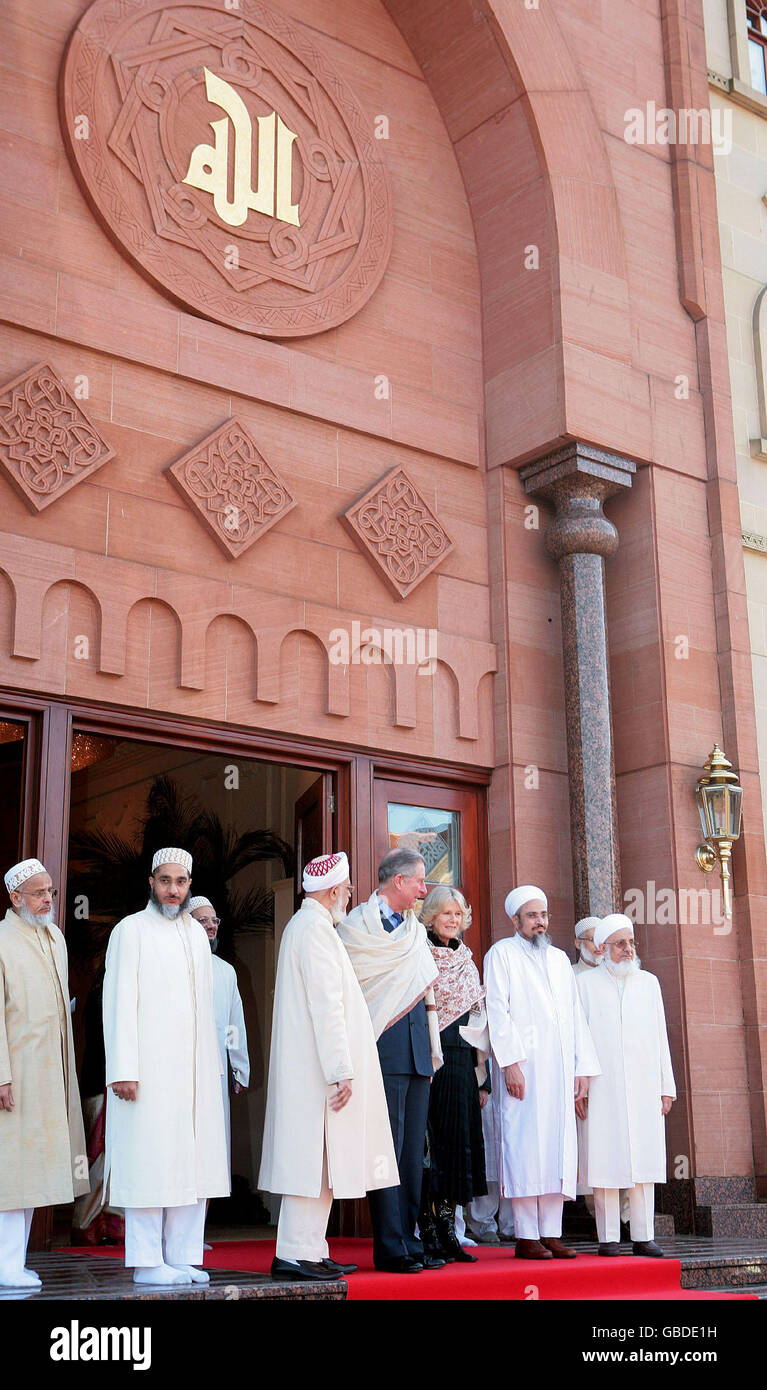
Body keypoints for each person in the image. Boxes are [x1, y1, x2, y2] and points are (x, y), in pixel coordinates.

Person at [259, 852, 397, 1281]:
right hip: (319, 1073)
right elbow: (326, 1006)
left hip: (318, 1069)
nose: (351, 894)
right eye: (349, 887)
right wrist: (341, 1067)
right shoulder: (315, 931)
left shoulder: (314, 928)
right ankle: (295, 1254)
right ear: (335, 890)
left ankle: (312, 1251)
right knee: (313, 1162)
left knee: (324, 1163)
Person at [103, 848, 229, 1286]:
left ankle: (180, 1255)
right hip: (148, 1072)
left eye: (181, 882)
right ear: (151, 882)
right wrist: (123, 1068)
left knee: (191, 1165)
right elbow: (118, 1002)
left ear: (189, 884)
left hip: (194, 1074)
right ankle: (145, 1262)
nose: (173, 890)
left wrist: (211, 1067)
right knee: (150, 1162)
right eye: (165, 881)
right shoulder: (130, 931)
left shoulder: (197, 935)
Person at [338, 848, 443, 1273]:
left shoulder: (416, 931)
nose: (424, 889)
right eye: (420, 881)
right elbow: (350, 995)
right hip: (382, 1052)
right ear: (398, 881)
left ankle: (410, 1239)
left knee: (412, 1154)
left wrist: (432, 1051)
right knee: (386, 1152)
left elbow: (427, 994)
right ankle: (390, 1247)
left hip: (418, 1055)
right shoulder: (354, 929)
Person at [484, 885, 600, 1260]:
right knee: (524, 1145)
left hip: (561, 1070)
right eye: (532, 915)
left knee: (556, 1145)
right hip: (525, 1070)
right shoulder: (501, 954)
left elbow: (576, 1016)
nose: (540, 922)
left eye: (544, 915)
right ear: (515, 919)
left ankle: (551, 1232)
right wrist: (510, 1063)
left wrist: (582, 1068)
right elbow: (497, 1012)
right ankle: (525, 1234)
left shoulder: (560, 960)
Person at [0, 859, 88, 1288]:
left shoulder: (54, 936)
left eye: (50, 890)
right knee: (11, 1171)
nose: (48, 899)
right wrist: (1, 1074)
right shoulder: (1, 940)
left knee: (34, 1170)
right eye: (38, 893)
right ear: (15, 898)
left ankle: (14, 1264)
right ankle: (6, 1266)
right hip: (15, 1075)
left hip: (50, 1074)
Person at [576, 913, 676, 1258]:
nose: (627, 949)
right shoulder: (585, 985)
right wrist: (582, 1082)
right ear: (603, 947)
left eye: (631, 942)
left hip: (644, 1086)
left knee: (643, 1164)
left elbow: (661, 1036)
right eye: (620, 944)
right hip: (602, 1086)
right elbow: (580, 1038)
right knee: (605, 1161)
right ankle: (608, 1238)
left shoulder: (649, 983)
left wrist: (666, 1086)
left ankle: (643, 1236)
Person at [419, 885, 487, 1264]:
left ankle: (448, 1230)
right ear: (431, 915)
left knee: (457, 1145)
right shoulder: (418, 952)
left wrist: (483, 1075)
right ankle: (425, 1229)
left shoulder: (467, 960)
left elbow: (478, 1017)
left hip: (462, 1062)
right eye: (446, 913)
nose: (453, 920)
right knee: (429, 1148)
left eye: (458, 915)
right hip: (430, 1060)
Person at [189, 896, 249, 1172]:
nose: (211, 926)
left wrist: (239, 1068)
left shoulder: (226, 972)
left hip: (214, 1074)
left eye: (214, 920)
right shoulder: (173, 964)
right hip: (179, 1074)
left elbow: (234, 1025)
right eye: (203, 921)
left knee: (211, 1156)